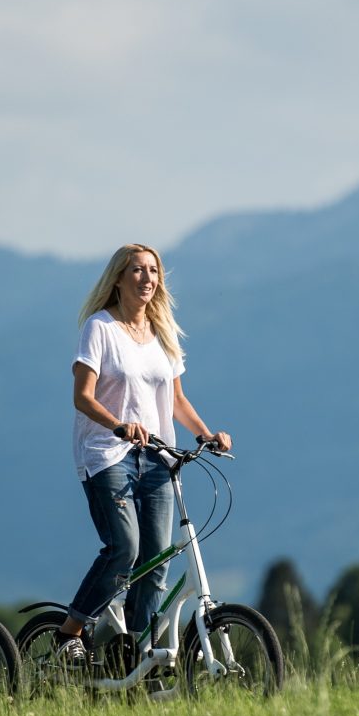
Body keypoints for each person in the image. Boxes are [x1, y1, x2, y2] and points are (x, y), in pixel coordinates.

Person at [54, 244, 231, 663]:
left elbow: (175, 399)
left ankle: (137, 653)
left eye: (153, 271)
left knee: (157, 560)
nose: (147, 278)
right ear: (118, 278)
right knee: (125, 549)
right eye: (137, 270)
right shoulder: (99, 328)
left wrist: (206, 434)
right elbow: (82, 397)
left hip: (157, 458)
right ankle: (69, 633)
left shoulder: (162, 334)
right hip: (107, 454)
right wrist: (118, 424)